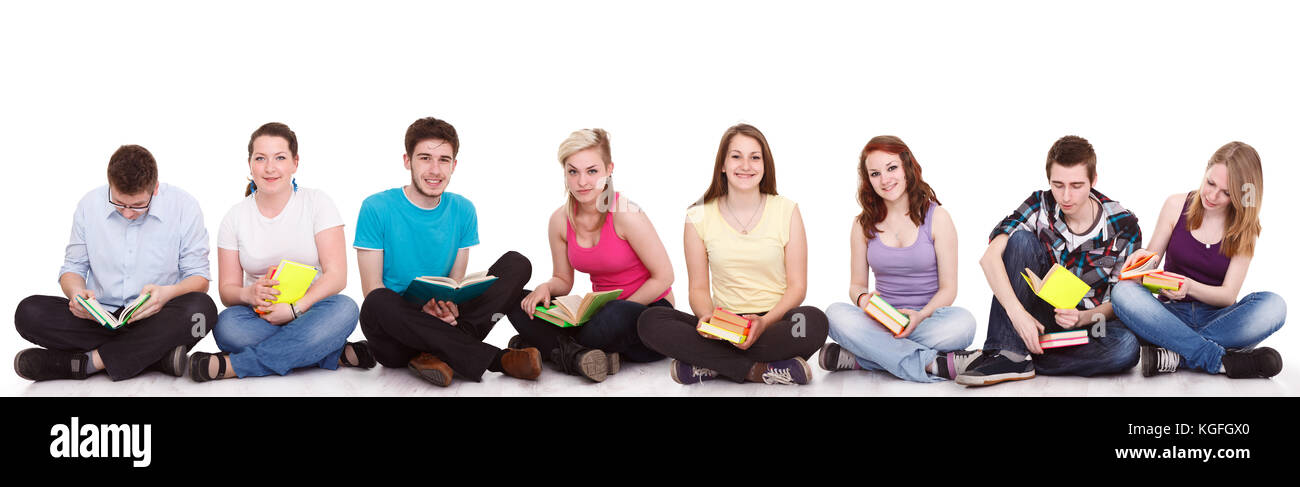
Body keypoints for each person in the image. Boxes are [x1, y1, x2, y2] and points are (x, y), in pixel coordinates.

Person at [637, 123, 828, 385]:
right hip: (724, 325)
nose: (746, 165)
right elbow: (699, 288)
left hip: (773, 324)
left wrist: (763, 323)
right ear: (723, 165)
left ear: (765, 165)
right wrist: (708, 319)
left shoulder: (787, 210)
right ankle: (757, 370)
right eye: (736, 156)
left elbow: (797, 287)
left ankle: (711, 365)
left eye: (755, 157)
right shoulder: (698, 216)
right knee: (650, 320)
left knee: (813, 322)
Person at [356, 116, 539, 387]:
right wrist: (421, 310)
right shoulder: (376, 207)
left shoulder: (463, 209)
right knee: (376, 302)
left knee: (517, 263)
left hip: (444, 320)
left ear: (454, 165)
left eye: (443, 160)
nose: (435, 169)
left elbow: (455, 284)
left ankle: (436, 353)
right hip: (396, 333)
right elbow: (372, 287)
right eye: (425, 158)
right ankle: (496, 360)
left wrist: (448, 307)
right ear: (408, 161)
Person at [14, 145, 217, 381]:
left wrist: (167, 293)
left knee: (202, 313)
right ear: (110, 185)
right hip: (98, 319)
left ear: (156, 188)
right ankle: (157, 357)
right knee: (28, 313)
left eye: (138, 205)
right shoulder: (89, 205)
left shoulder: (185, 207)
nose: (128, 213)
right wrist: (77, 294)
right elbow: (72, 269)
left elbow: (199, 279)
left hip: (156, 318)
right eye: (119, 203)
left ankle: (86, 363)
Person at [188, 123, 370, 381]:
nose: (270, 168)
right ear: (250, 164)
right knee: (227, 326)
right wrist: (248, 294)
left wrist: (295, 309)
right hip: (260, 316)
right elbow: (227, 291)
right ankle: (330, 352)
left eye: (280, 158)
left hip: (312, 310)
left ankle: (237, 366)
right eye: (260, 158)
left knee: (346, 309)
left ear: (295, 163)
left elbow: (337, 276)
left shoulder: (318, 203)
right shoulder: (234, 217)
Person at [958, 135, 1141, 386]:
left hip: (1090, 321)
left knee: (1126, 347)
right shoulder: (1039, 204)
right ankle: (1008, 351)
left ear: (1093, 180)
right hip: (1038, 316)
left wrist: (1082, 318)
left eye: (1076, 185)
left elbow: (1119, 299)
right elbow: (989, 258)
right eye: (1058, 185)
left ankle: (1020, 356)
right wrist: (1018, 315)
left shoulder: (1123, 225)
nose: (1066, 196)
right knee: (1020, 239)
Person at [506, 128, 675, 382]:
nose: (582, 182)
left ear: (609, 169)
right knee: (516, 300)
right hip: (597, 315)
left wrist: (621, 306)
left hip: (645, 310)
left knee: (614, 316)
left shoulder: (626, 213)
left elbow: (664, 277)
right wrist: (546, 287)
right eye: (573, 172)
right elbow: (563, 279)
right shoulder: (559, 221)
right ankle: (586, 355)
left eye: (592, 171)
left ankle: (548, 347)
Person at [1111, 141, 1285, 378]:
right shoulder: (1175, 205)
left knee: (1274, 306)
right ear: (1205, 172)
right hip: (1169, 314)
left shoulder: (1245, 228)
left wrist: (1190, 287)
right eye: (1210, 183)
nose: (1212, 195)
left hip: (1218, 318)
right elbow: (1149, 268)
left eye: (1226, 192)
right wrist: (1141, 264)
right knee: (1123, 292)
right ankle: (1218, 358)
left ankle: (1177, 354)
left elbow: (1227, 296)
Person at [820, 136, 977, 382]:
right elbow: (856, 286)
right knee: (832, 315)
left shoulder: (938, 217)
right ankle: (931, 364)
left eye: (891, 168)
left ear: (907, 168)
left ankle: (862, 358)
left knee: (964, 324)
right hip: (881, 322)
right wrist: (862, 300)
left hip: (928, 320)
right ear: (868, 179)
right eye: (875, 173)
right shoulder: (861, 224)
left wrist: (920, 316)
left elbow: (949, 289)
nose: (885, 179)